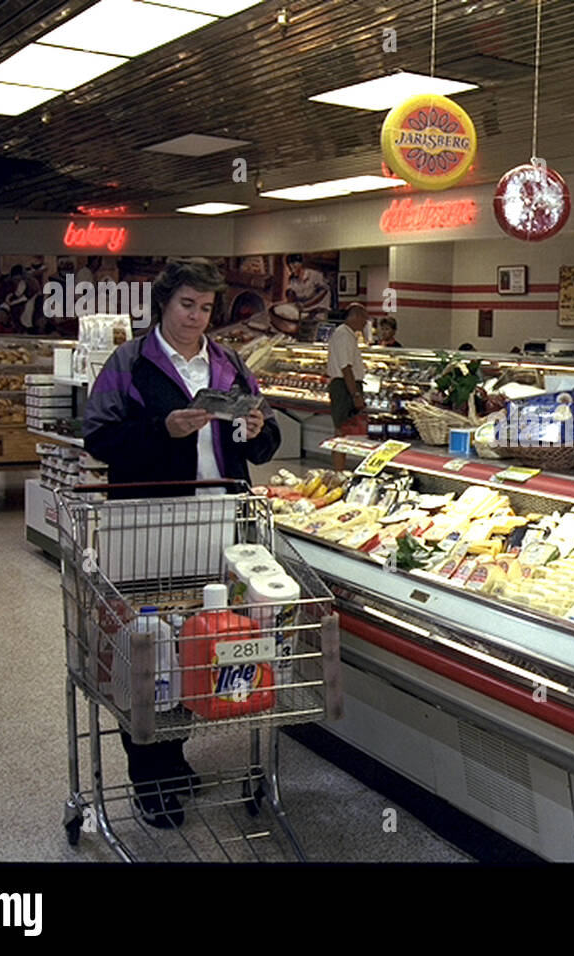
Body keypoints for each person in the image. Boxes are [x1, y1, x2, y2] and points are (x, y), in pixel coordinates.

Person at [83, 258, 282, 828]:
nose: (196, 317)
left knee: (197, 644)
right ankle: (150, 776)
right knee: (148, 648)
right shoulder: (129, 362)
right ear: (164, 304)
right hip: (149, 522)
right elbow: (97, 435)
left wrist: (256, 431)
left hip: (219, 521)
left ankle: (172, 755)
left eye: (206, 308)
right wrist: (161, 430)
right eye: (186, 305)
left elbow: (266, 438)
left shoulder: (229, 365)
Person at [328, 302, 370, 470]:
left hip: (346, 385)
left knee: (344, 430)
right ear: (355, 316)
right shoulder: (344, 335)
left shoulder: (348, 335)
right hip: (344, 386)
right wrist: (355, 395)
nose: (365, 322)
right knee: (342, 430)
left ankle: (340, 469)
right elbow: (346, 367)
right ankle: (339, 471)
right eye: (364, 318)